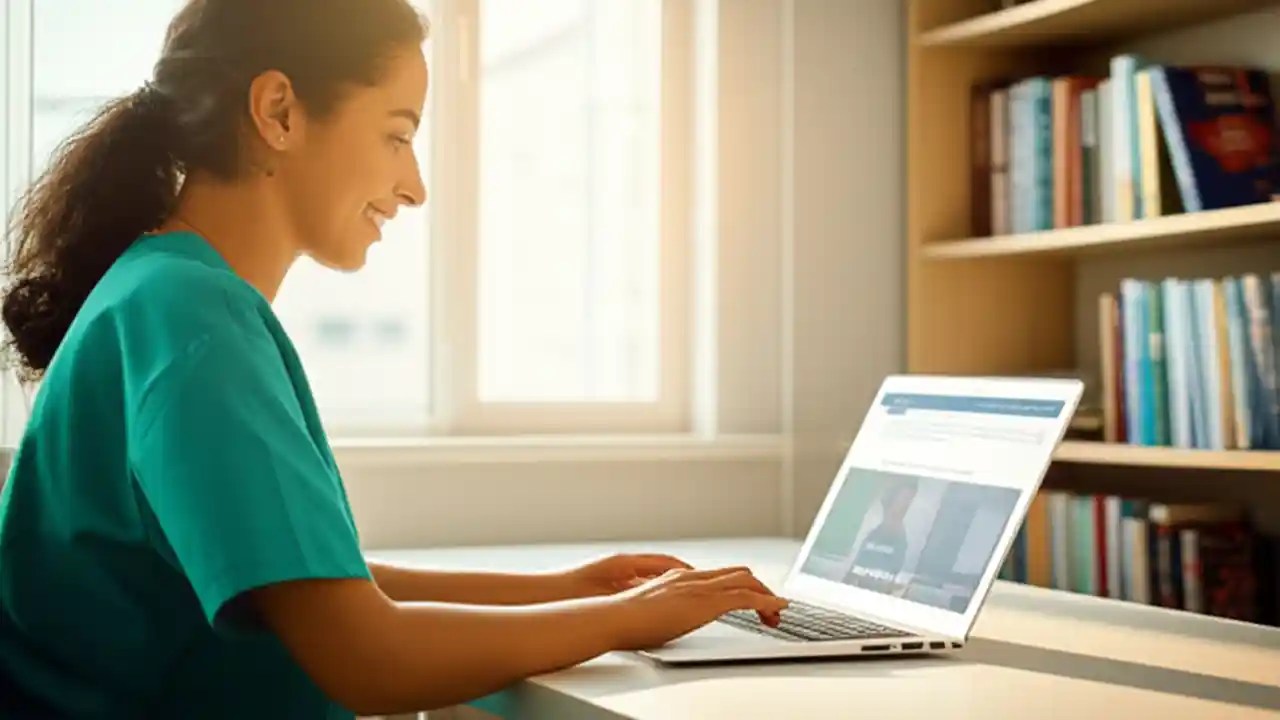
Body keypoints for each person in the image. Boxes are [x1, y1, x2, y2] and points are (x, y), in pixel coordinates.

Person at [0, 1, 787, 717]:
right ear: (278, 111)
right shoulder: (192, 319)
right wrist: (624, 620)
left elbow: (319, 586)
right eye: (398, 134)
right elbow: (366, 656)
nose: (413, 187)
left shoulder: (161, 292)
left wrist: (566, 590)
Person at [843, 479, 918, 593]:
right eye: (903, 499)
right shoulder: (870, 530)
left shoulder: (910, 539)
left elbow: (904, 582)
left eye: (910, 500)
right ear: (891, 500)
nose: (906, 504)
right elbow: (853, 570)